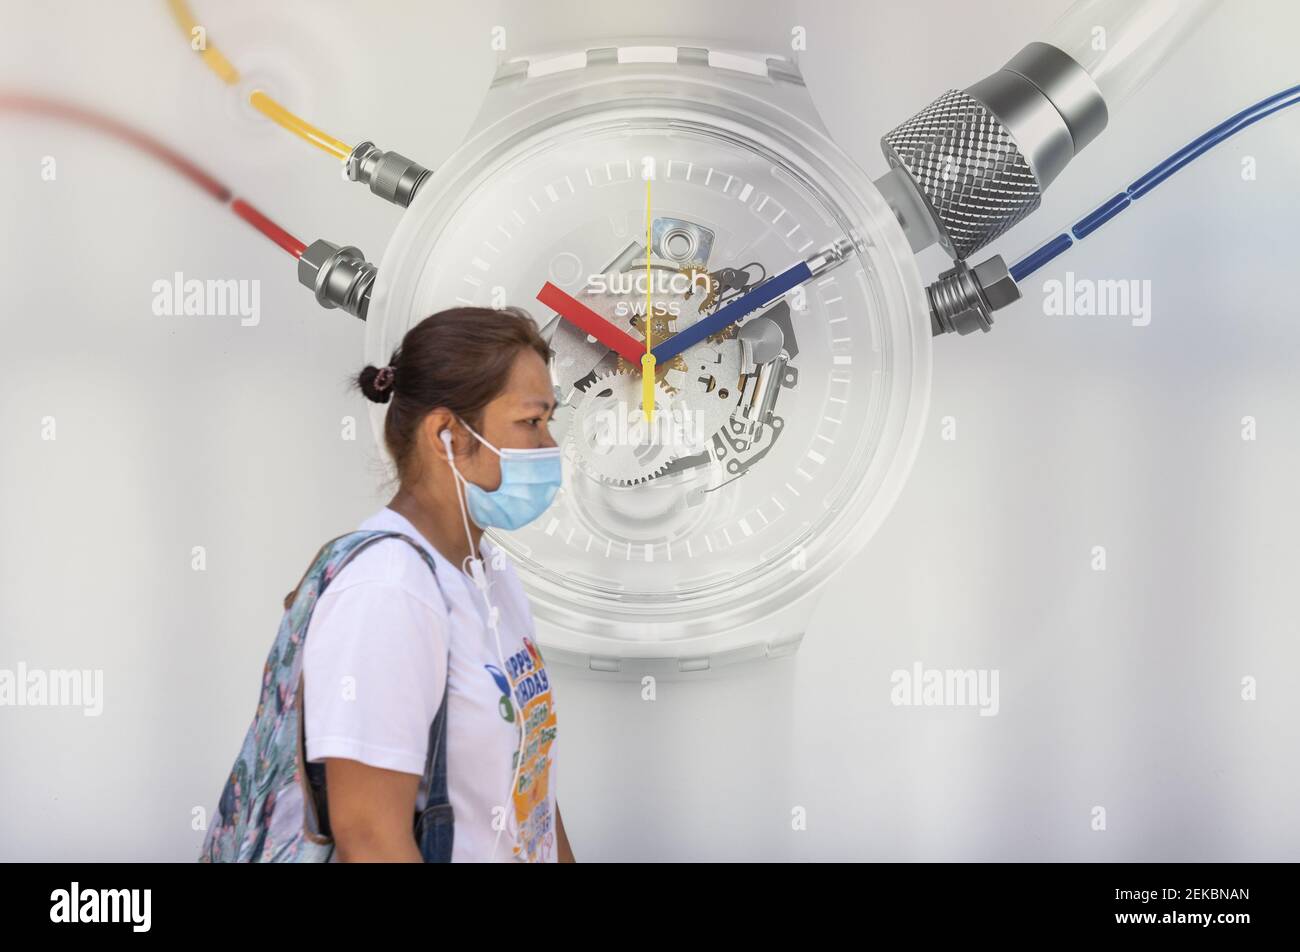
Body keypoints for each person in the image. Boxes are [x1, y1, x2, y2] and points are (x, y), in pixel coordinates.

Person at [201, 305, 574, 862]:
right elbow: (371, 840)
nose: (549, 445)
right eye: (530, 421)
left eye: (549, 420)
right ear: (447, 434)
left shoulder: (489, 573)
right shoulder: (388, 591)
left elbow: (530, 790)